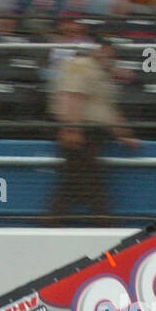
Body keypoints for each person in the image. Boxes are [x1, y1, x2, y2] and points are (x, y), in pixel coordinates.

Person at [49, 37, 137, 222]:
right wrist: (72, 128)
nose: (110, 55)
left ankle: (55, 223)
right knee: (87, 183)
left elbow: (105, 109)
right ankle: (102, 223)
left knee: (75, 183)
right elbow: (71, 95)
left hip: (94, 135)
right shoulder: (81, 65)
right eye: (108, 50)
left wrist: (123, 133)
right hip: (82, 132)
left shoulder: (101, 73)